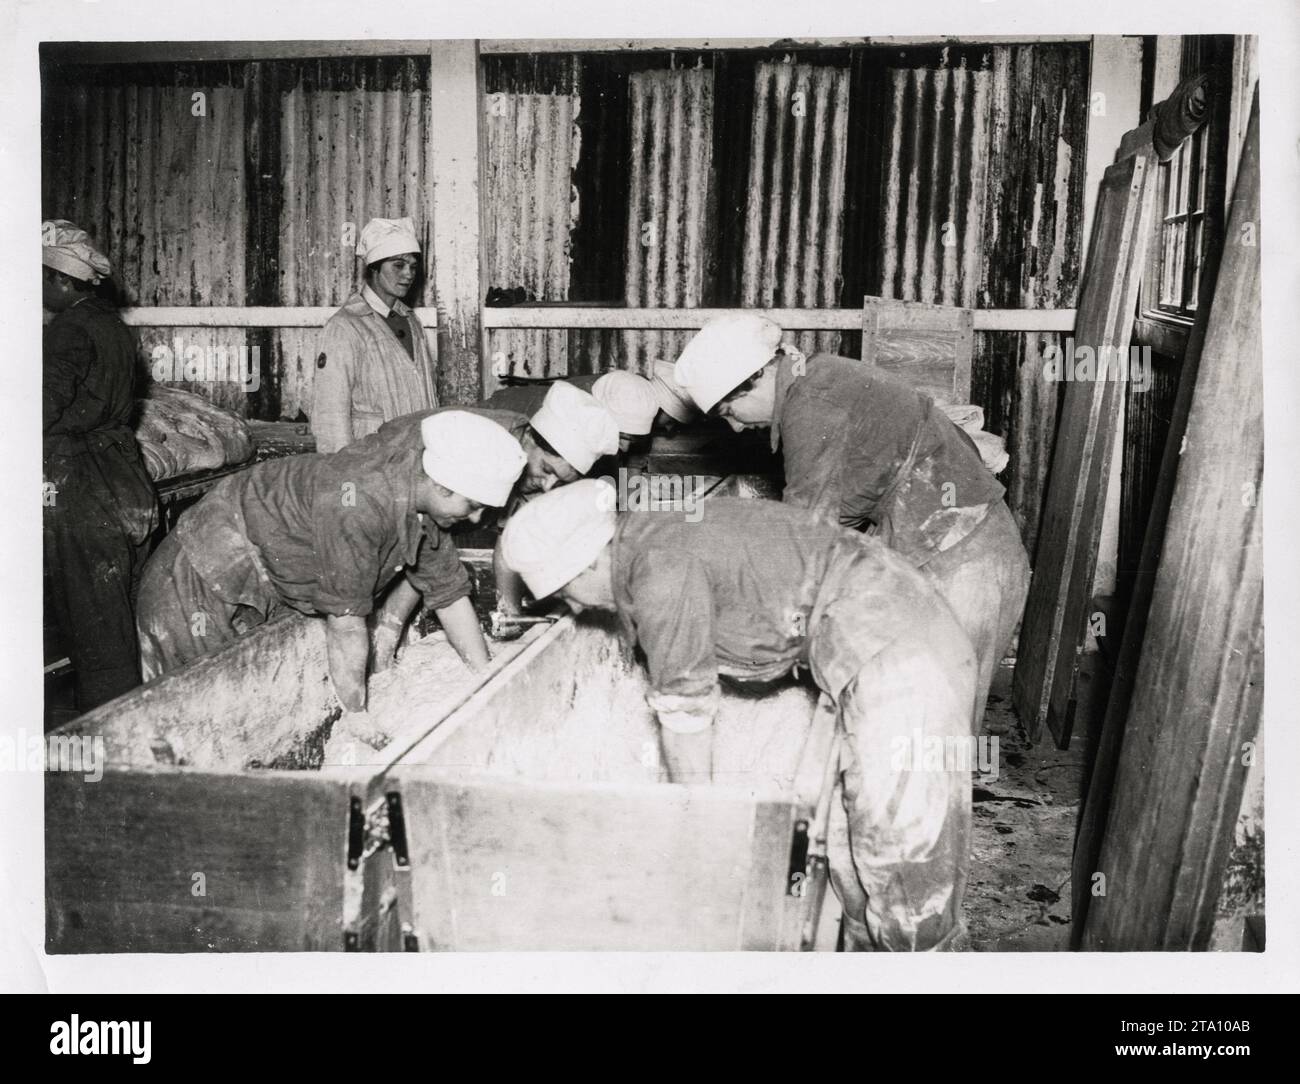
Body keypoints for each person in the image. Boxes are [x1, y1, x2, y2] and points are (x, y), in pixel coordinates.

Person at [501, 481, 978, 951]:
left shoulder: (658, 570)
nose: (576, 607)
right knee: (850, 843)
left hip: (897, 651)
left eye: (567, 593)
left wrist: (698, 829)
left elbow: (685, 712)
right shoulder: (653, 535)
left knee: (902, 858)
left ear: (588, 561)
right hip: (873, 625)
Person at [674, 313, 1030, 723]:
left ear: (754, 379)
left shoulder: (811, 405)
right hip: (955, 541)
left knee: (935, 716)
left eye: (728, 411)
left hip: (964, 558)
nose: (735, 428)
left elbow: (807, 532)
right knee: (915, 713)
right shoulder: (819, 375)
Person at [136, 411, 526, 740]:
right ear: (441, 486)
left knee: (242, 714)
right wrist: (356, 714)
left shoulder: (420, 500)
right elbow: (345, 623)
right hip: (200, 572)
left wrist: (485, 678)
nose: (475, 520)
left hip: (262, 572)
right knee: (195, 719)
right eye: (473, 506)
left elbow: (449, 594)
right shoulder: (360, 500)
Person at [42, 219, 159, 712]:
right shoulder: (112, 326)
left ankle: (110, 755)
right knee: (130, 618)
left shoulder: (68, 329)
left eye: (43, 279)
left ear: (62, 281)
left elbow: (40, 406)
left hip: (84, 483)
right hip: (126, 476)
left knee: (96, 632)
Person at [310, 217, 437, 453]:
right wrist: (341, 473)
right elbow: (330, 415)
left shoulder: (411, 321)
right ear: (374, 268)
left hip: (415, 457)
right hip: (371, 463)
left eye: (413, 266)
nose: (408, 274)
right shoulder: (345, 327)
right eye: (398, 265)